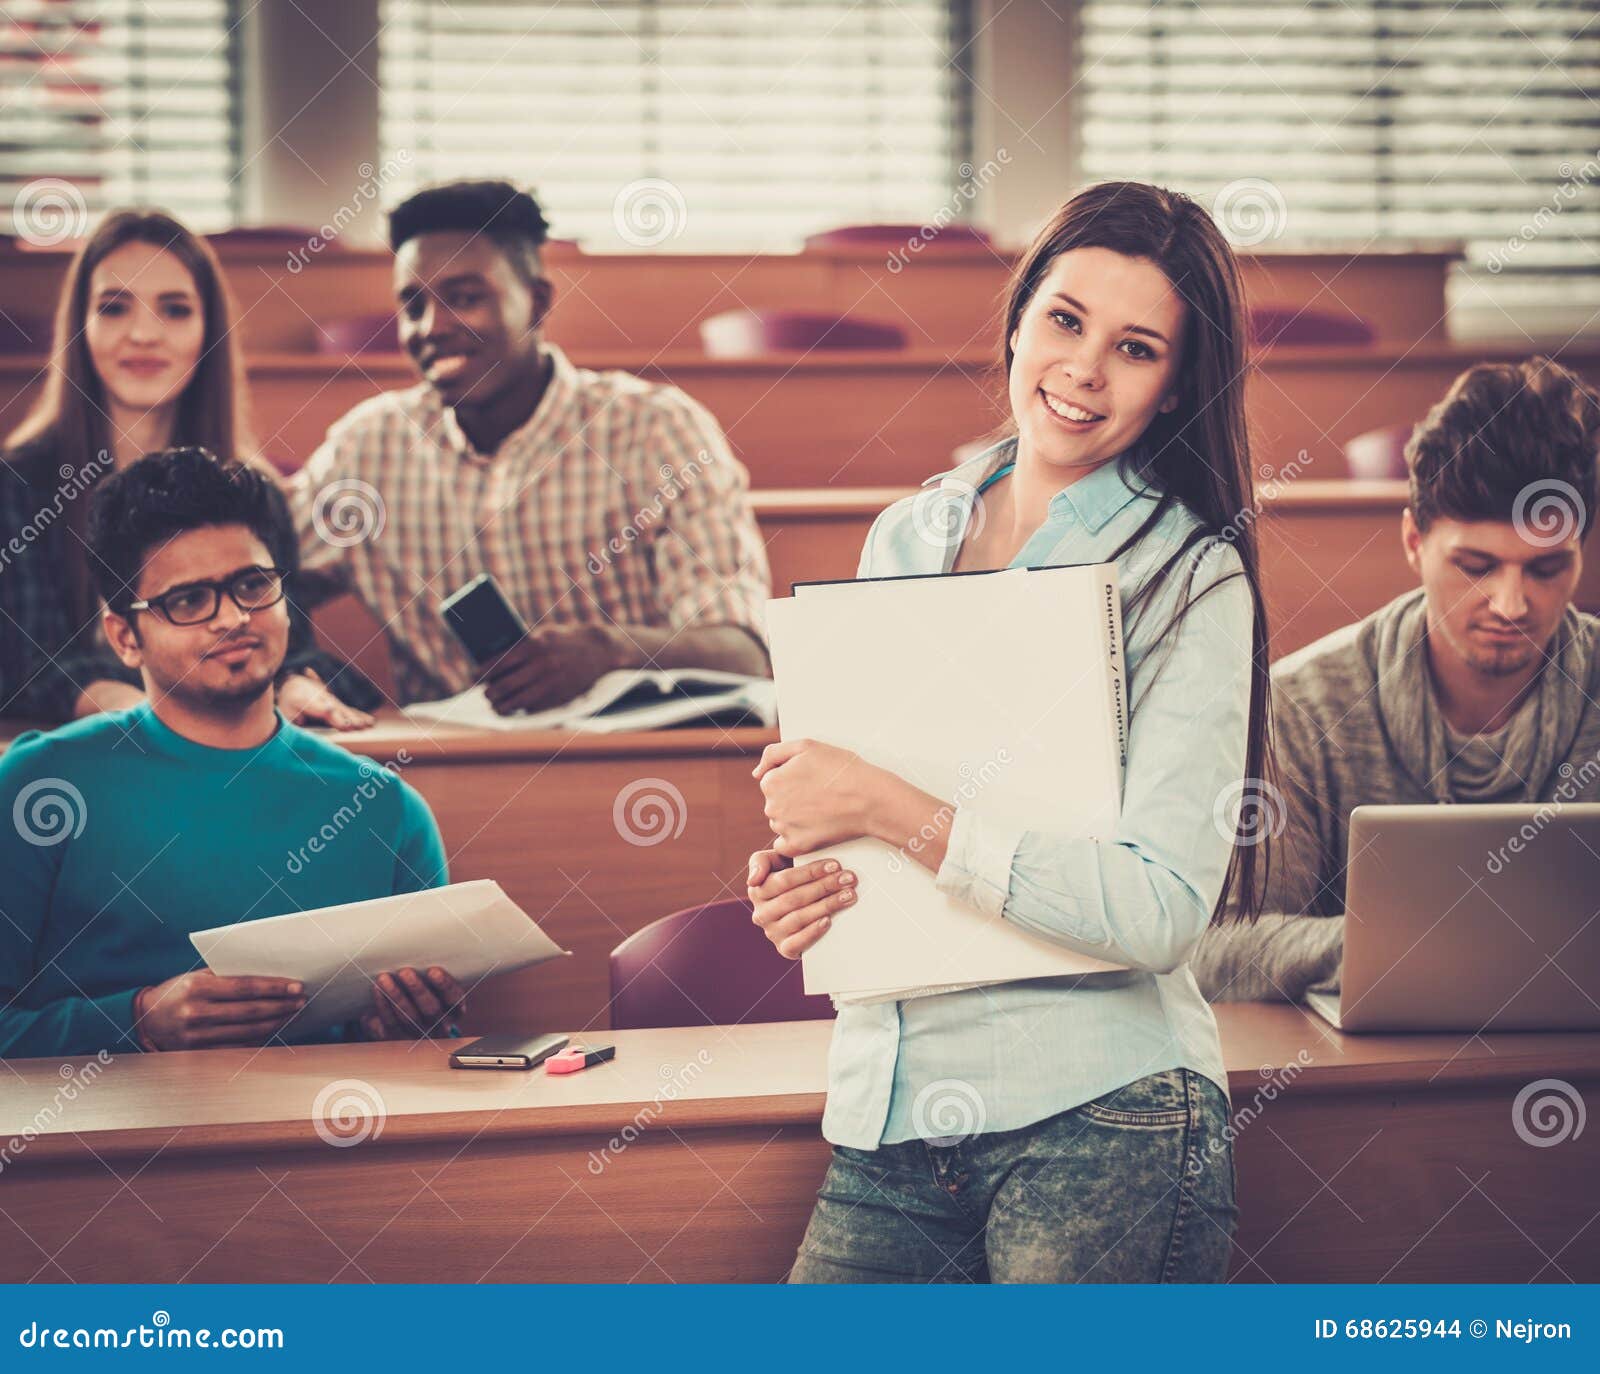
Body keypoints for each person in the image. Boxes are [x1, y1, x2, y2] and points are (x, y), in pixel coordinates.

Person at [746, 182, 1274, 1283]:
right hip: (891, 1119)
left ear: (1176, 384)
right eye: (1065, 320)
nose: (1083, 368)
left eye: (1135, 348)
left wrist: (894, 812)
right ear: (1020, 316)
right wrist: (804, 884)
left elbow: (1158, 909)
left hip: (1103, 1117)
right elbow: (846, 825)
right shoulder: (905, 532)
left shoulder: (1189, 574)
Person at [0, 449, 466, 1058]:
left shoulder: (385, 809)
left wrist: (404, 1033)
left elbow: (432, 1055)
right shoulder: (37, 784)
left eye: (252, 585)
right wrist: (135, 1023)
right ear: (124, 637)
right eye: (188, 600)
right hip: (97, 1140)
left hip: (321, 1139)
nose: (234, 619)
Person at [1189, 356, 1600, 1002]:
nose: (1512, 604)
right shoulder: (1304, 709)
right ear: (1414, 540)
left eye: (1546, 570)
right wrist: (1401, 952)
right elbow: (1218, 951)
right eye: (1476, 566)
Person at [284, 179, 771, 710]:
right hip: (453, 778)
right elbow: (259, 580)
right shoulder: (367, 448)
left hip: (635, 756)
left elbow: (744, 652)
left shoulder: (656, 430)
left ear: (536, 303)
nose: (432, 328)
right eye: (413, 306)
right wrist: (298, 671)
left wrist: (611, 651)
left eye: (466, 299)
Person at [0, 208, 378, 728]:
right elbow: (24, 669)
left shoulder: (253, 489)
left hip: (225, 753)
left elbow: (289, 645)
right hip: (79, 755)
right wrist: (134, 707)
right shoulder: (16, 483)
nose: (143, 334)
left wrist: (292, 683)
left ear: (209, 330)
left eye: (174, 310)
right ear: (79, 327)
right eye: (113, 308)